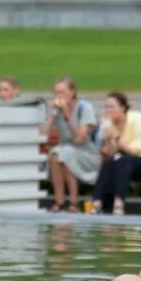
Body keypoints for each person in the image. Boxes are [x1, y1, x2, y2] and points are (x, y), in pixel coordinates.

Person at [92, 92, 141, 216]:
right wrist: (107, 140)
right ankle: (97, 203)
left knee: (123, 161)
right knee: (110, 163)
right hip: (125, 161)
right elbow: (108, 154)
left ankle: (118, 204)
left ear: (122, 108)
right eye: (106, 107)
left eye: (111, 107)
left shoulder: (136, 118)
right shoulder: (110, 125)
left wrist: (116, 136)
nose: (108, 110)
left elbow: (136, 151)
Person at [41, 77, 98, 213]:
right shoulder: (57, 110)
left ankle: (73, 202)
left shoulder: (85, 108)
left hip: (88, 153)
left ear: (72, 92)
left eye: (62, 92)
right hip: (65, 151)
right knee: (56, 155)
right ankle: (59, 201)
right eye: (56, 93)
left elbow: (79, 139)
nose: (58, 96)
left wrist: (67, 115)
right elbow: (44, 134)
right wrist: (52, 116)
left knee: (65, 154)